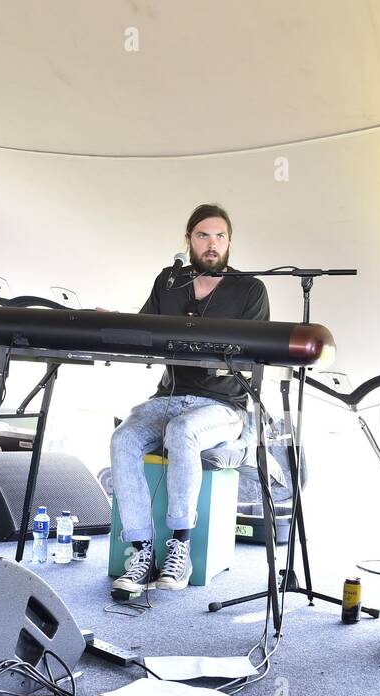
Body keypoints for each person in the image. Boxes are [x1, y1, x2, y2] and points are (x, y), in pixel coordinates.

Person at [109, 203, 269, 595]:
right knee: (124, 438)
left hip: (222, 406)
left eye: (220, 236)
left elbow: (254, 352)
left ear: (229, 242)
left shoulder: (250, 288)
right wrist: (113, 323)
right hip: (168, 396)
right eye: (203, 236)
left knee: (182, 433)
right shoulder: (168, 282)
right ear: (189, 240)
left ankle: (179, 545)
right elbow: (143, 333)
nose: (212, 244)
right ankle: (141, 549)